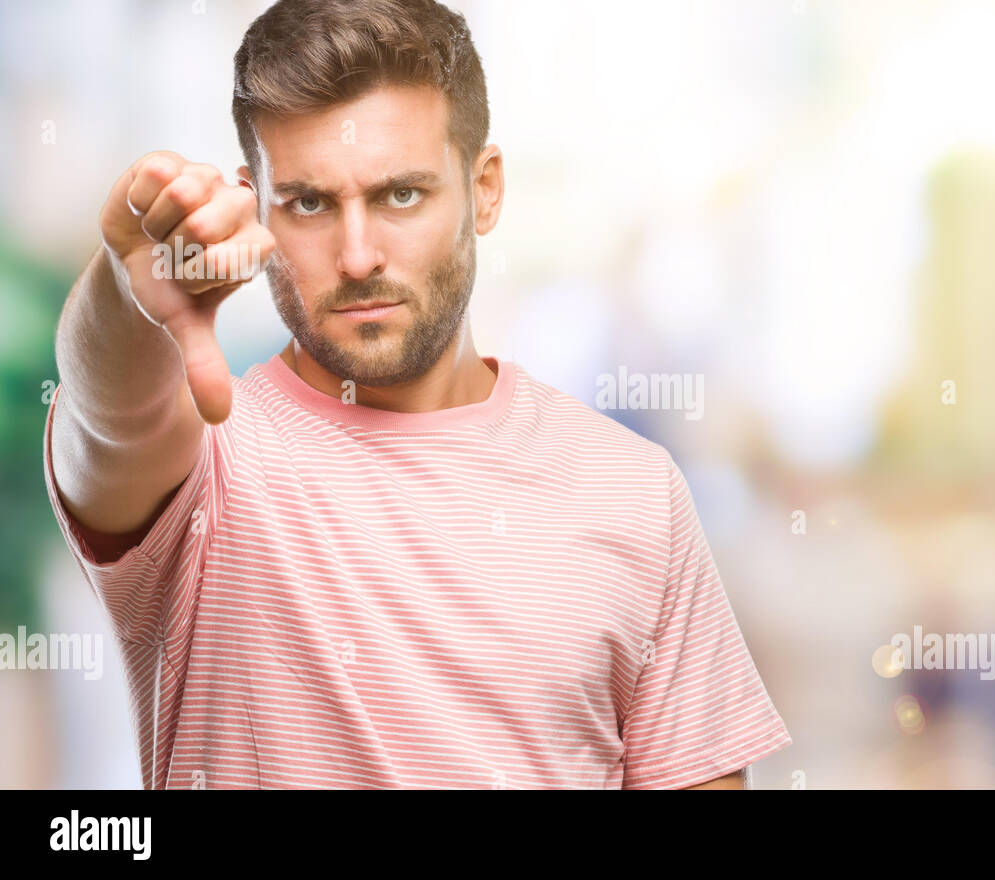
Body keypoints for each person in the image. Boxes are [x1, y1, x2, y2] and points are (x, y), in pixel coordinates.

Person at [42, 0, 791, 789]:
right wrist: (126, 300)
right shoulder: (205, 464)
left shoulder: (634, 492)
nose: (358, 255)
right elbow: (109, 418)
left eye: (400, 195)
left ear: (485, 190)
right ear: (255, 202)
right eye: (309, 203)